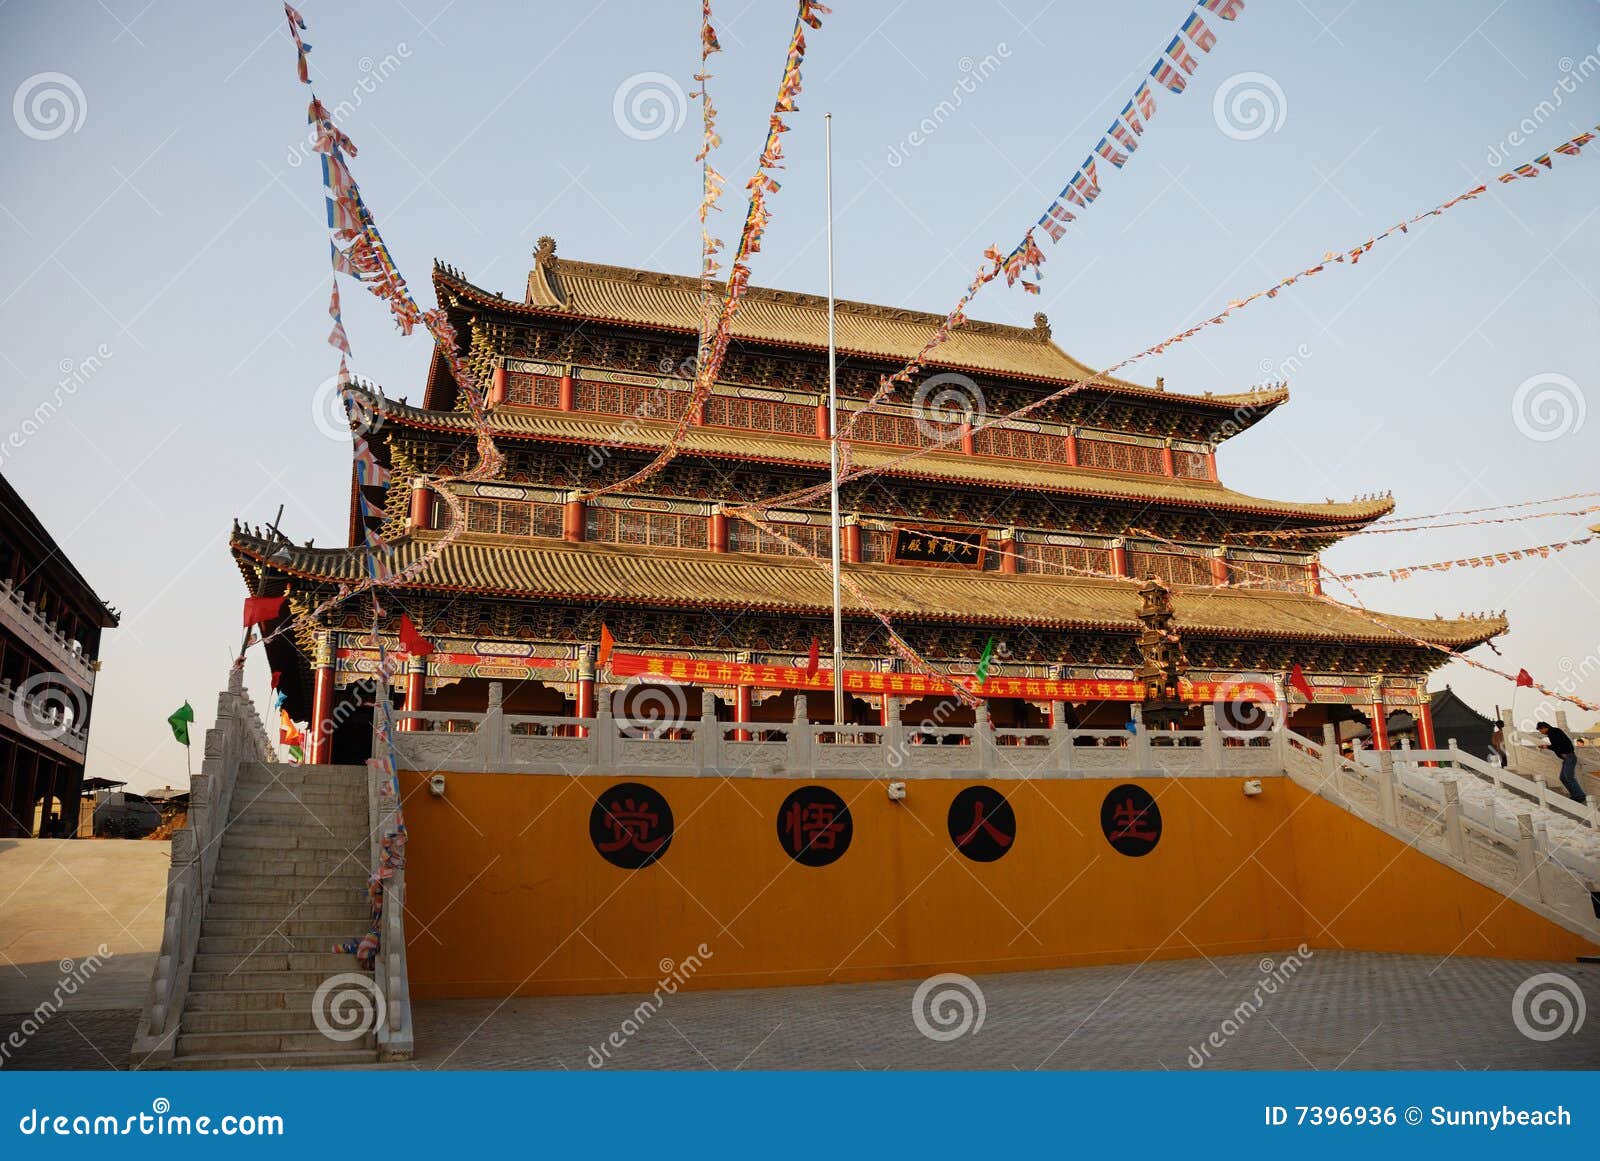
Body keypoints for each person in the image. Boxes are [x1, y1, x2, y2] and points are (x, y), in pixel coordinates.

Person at [1537, 720, 1585, 804]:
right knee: (1563, 777)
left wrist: (1564, 752)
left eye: (1540, 730)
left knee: (1568, 777)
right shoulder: (1553, 732)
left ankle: (1580, 796)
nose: (1540, 732)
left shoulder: (1553, 732)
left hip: (1569, 757)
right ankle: (1575, 795)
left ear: (1544, 728)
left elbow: (1558, 745)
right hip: (1568, 758)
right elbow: (1561, 743)